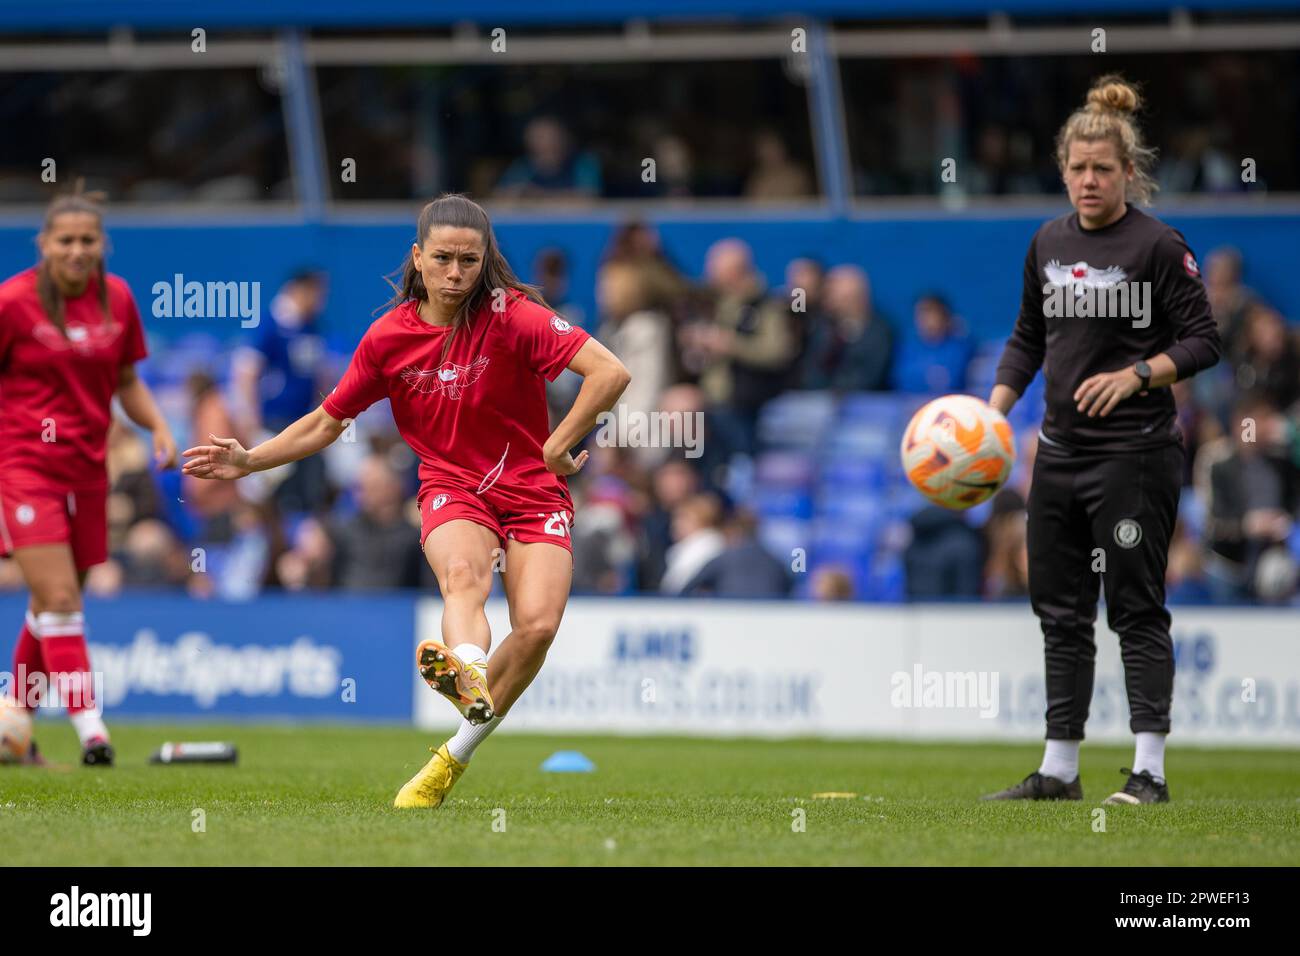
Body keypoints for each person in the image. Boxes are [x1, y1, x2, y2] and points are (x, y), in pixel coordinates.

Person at [184, 193, 629, 808]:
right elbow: (325, 421)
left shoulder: (514, 315)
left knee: (537, 627)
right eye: (442, 258)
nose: (455, 274)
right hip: (452, 485)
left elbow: (610, 372)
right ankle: (467, 666)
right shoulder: (389, 337)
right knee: (464, 576)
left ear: (484, 262)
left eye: (469, 261)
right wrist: (250, 460)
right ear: (417, 259)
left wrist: (558, 445)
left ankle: (453, 756)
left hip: (531, 490)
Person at [982, 76, 1222, 806]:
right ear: (1063, 170)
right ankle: (1059, 770)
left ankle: (1149, 772)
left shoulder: (1157, 244)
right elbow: (1028, 337)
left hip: (1135, 455)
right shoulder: (1047, 242)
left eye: (1103, 169)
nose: (1089, 180)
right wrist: (992, 414)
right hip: (1057, 454)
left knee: (1136, 609)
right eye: (1078, 169)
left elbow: (1205, 340)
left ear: (1128, 172)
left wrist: (1139, 375)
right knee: (1059, 613)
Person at [0, 186, 178, 766]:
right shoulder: (13, 302)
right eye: (65, 241)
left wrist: (157, 427)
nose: (77, 250)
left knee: (49, 605)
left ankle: (14, 728)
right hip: (24, 466)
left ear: (102, 245)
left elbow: (126, 378)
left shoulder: (117, 298)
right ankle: (92, 729)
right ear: (44, 245)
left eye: (88, 240)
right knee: (59, 596)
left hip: (87, 471)